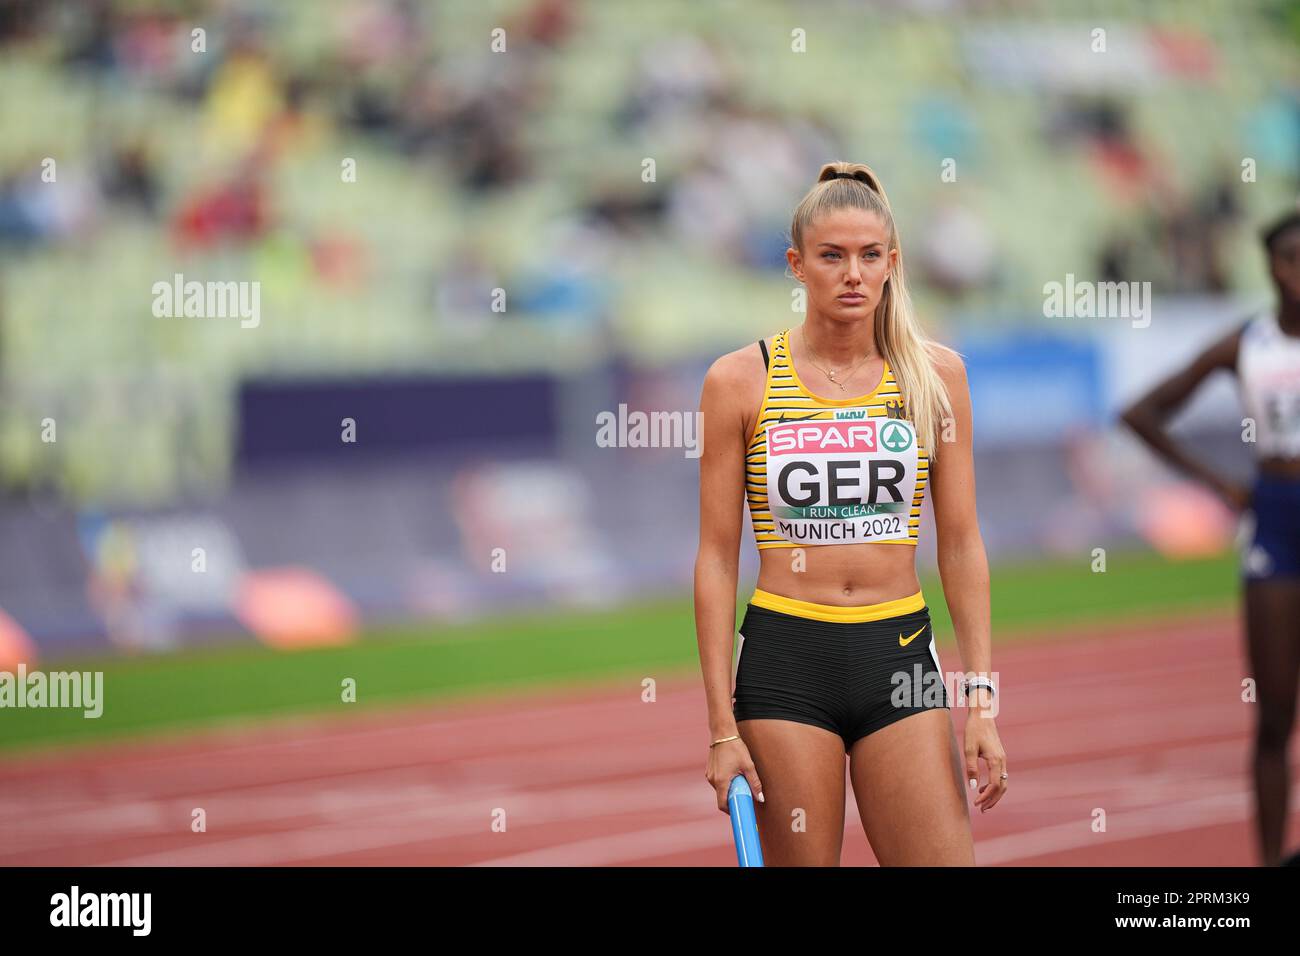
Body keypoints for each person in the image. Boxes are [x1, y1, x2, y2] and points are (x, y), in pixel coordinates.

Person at [694, 161, 1006, 866]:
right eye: (832, 256)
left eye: (870, 256)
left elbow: (960, 543)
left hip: (899, 657)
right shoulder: (740, 380)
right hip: (785, 660)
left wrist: (981, 699)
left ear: (894, 263)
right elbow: (716, 557)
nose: (853, 274)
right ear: (796, 265)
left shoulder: (935, 375)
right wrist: (720, 727)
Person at [1121, 207, 1300, 866]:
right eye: (1290, 258)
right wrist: (1220, 484)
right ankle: (1270, 861)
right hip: (1276, 518)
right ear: (1271, 267)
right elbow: (1140, 413)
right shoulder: (1246, 344)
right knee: (1274, 713)